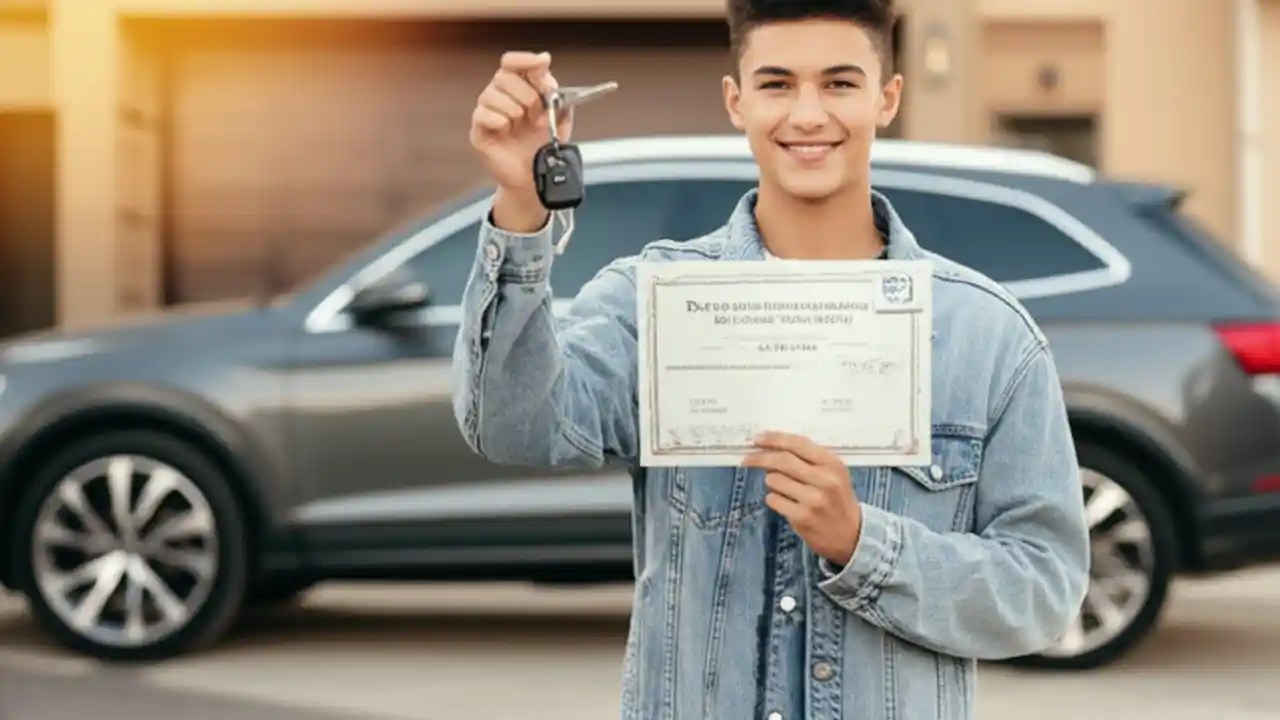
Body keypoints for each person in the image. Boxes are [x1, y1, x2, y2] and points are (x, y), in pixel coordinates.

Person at [452, 0, 1089, 717]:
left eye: (840, 84)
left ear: (888, 98)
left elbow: (1043, 590)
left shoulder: (989, 335)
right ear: (736, 100)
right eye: (778, 83)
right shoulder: (656, 302)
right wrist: (519, 202)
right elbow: (513, 427)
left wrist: (862, 543)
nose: (808, 114)